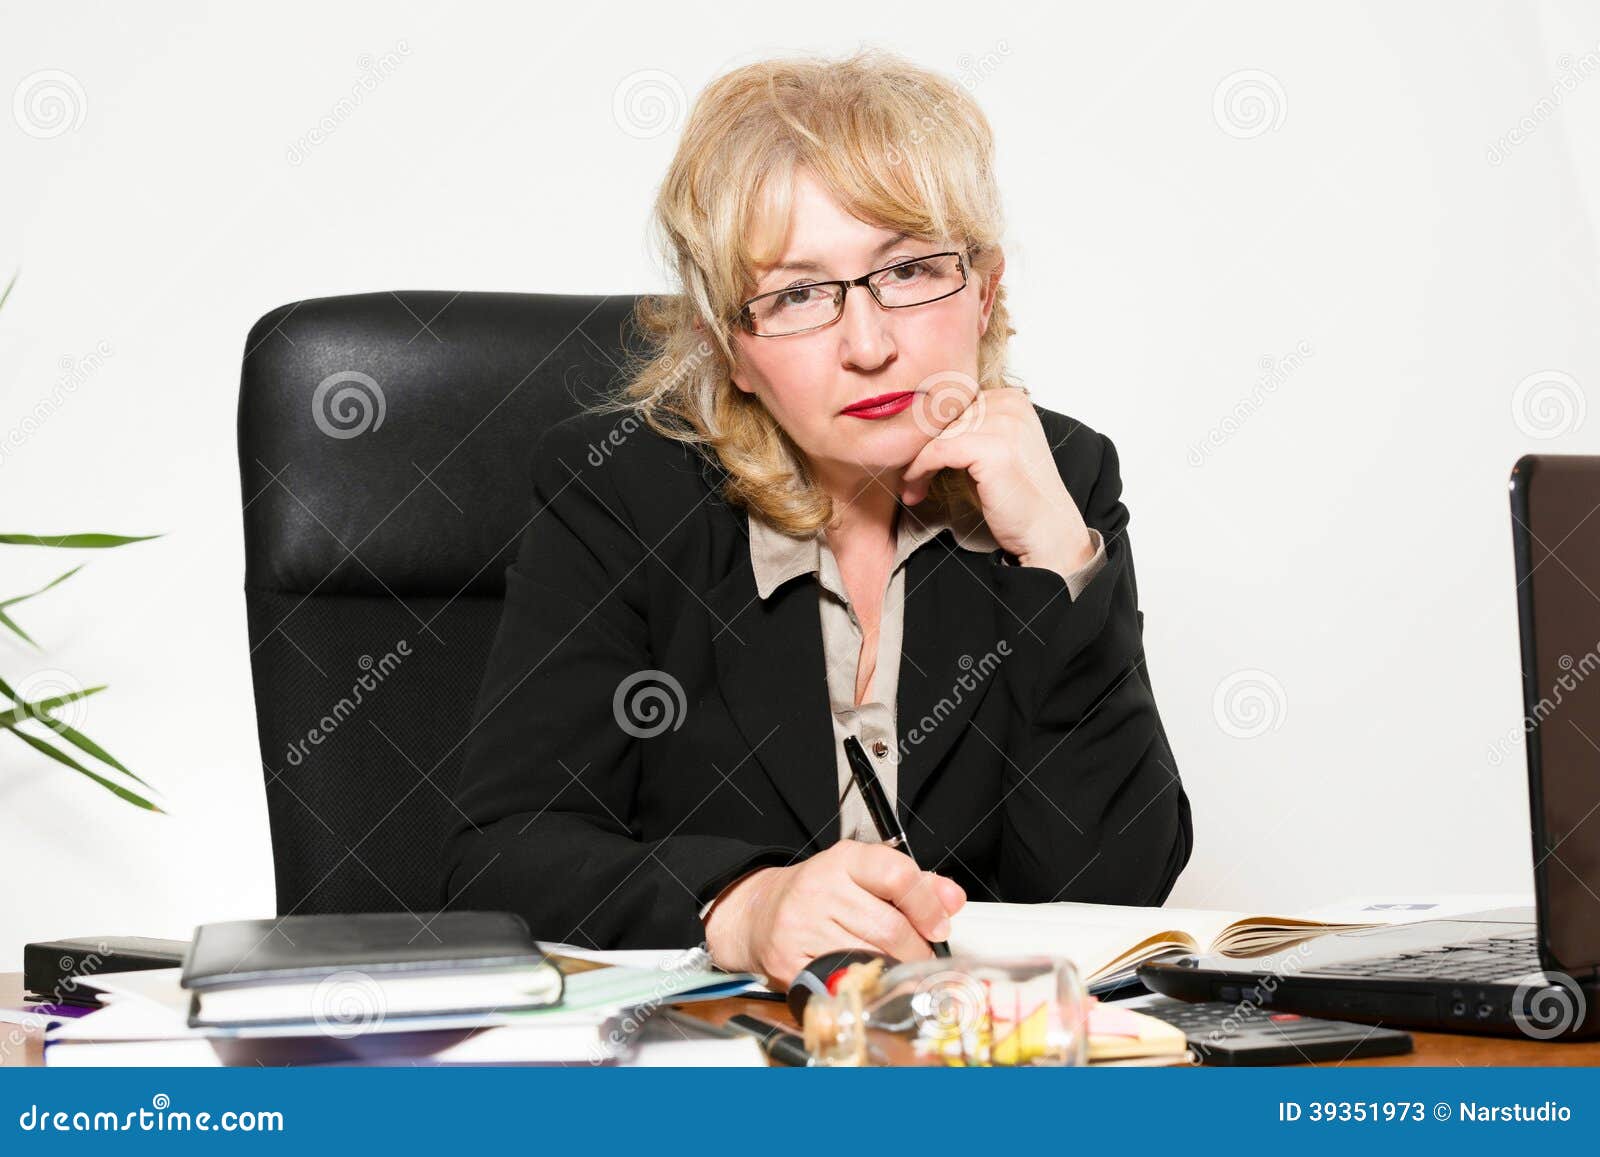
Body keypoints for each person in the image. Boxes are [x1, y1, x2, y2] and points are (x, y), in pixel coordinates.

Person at [442, 49, 1192, 988]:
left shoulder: (1060, 474)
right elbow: (500, 856)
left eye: (911, 271)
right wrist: (740, 905)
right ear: (732, 351)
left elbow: (1111, 891)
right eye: (797, 294)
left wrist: (1060, 556)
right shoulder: (626, 496)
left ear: (987, 289)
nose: (870, 346)